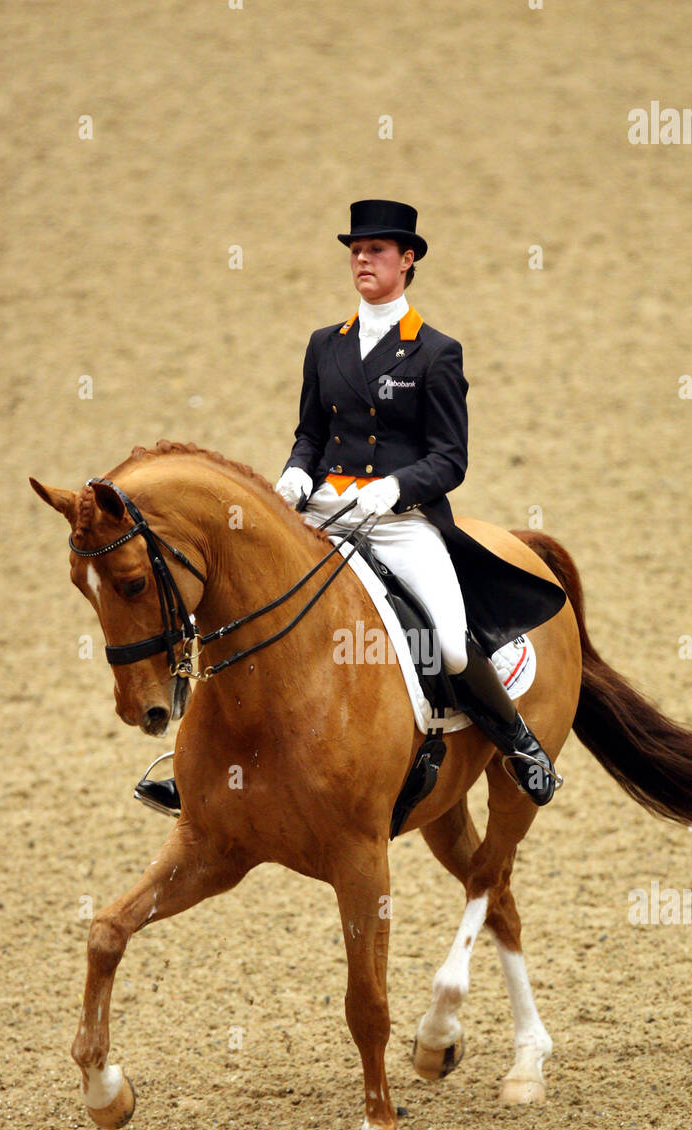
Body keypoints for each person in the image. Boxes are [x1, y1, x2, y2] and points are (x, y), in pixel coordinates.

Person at [275, 199, 563, 804]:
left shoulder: (435, 352)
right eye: (355, 250)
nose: (361, 259)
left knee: (451, 644)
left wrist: (396, 486)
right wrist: (297, 473)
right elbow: (310, 433)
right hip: (325, 511)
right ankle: (206, 764)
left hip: (402, 522)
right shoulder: (325, 344)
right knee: (244, 601)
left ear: (406, 261)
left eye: (376, 250)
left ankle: (518, 740)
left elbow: (450, 457)